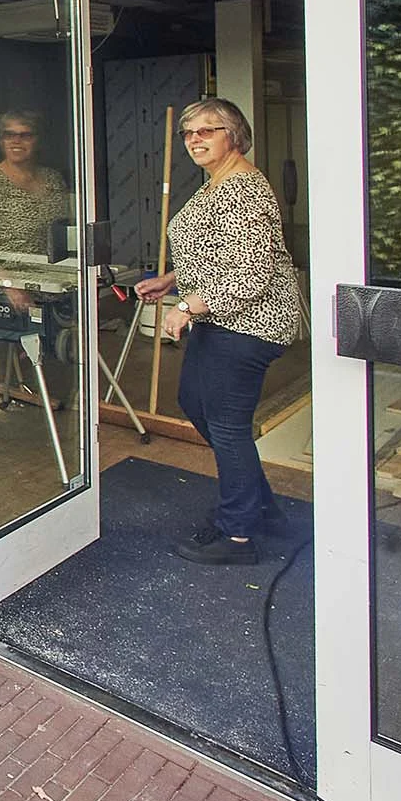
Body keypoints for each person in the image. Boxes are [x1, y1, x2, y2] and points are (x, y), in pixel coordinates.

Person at [135, 97, 303, 566]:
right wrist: (173, 280)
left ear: (234, 135)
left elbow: (251, 273)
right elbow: (217, 254)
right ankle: (259, 507)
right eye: (189, 132)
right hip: (220, 319)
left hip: (249, 324)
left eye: (207, 130)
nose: (195, 139)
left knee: (227, 425)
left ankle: (239, 535)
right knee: (195, 402)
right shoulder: (215, 184)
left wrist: (185, 306)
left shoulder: (244, 188)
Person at [0, 110, 67, 313]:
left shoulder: (53, 180)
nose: (16, 141)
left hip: (52, 286)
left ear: (38, 140)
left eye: (26, 135)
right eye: (9, 134)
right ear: (1, 141)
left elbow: (65, 233)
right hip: (5, 296)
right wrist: (9, 284)